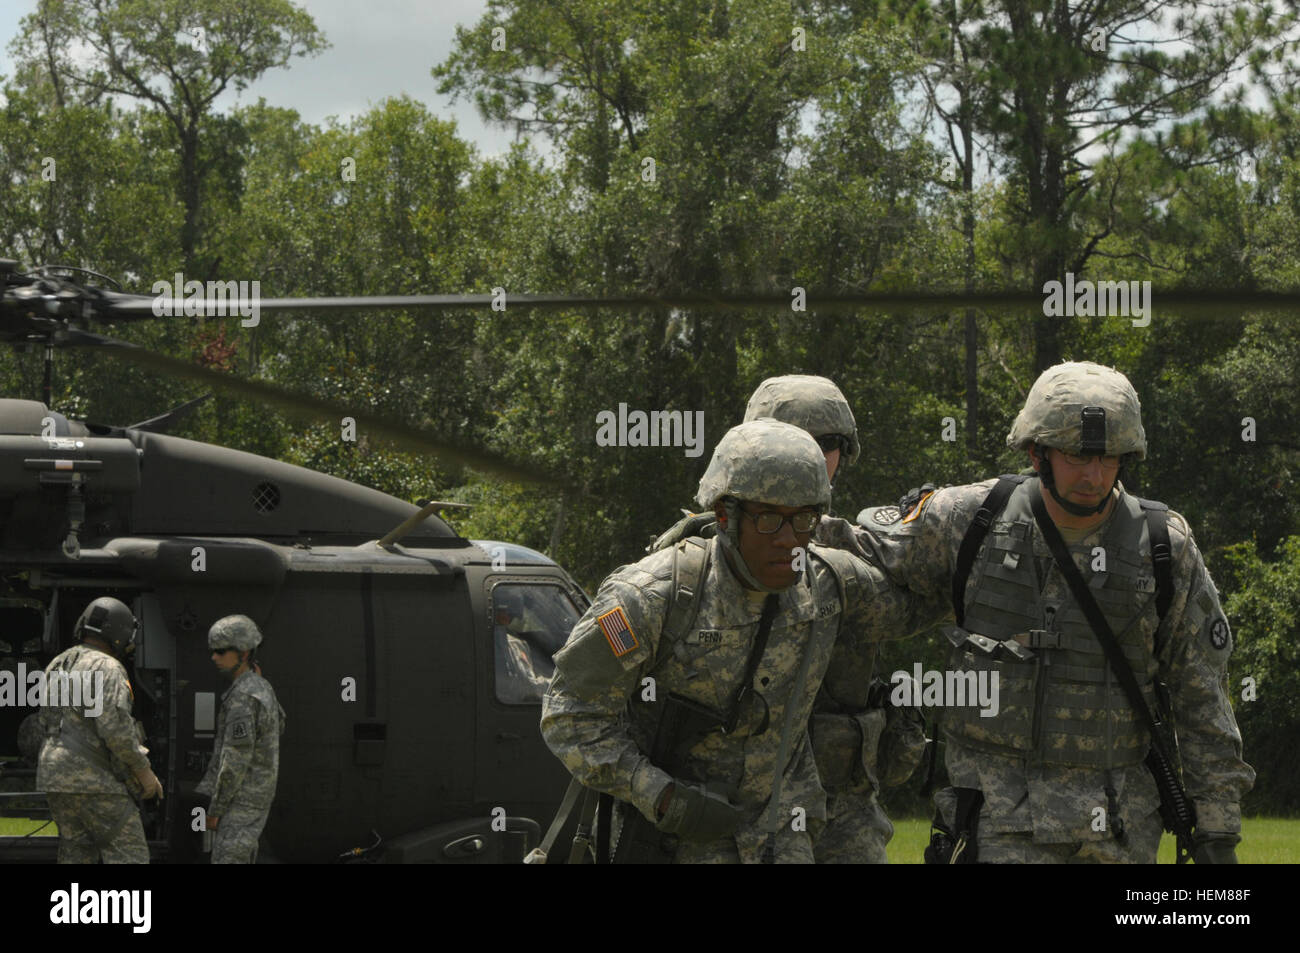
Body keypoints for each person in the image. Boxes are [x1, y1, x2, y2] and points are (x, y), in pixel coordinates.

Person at [846, 361, 1254, 863]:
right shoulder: (969, 520)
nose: (1094, 475)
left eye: (1109, 459)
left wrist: (1217, 832)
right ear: (1038, 452)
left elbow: (1203, 698)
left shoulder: (1163, 547)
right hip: (993, 824)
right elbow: (858, 558)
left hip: (1117, 833)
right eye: (1077, 456)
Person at [541, 419, 934, 863]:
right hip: (665, 843)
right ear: (726, 516)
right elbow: (569, 716)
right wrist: (659, 794)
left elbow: (921, 605)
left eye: (804, 519)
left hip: (781, 843)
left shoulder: (826, 585)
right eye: (768, 520)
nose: (789, 541)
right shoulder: (654, 597)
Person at [648, 374, 925, 863]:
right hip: (735, 800)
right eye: (791, 438)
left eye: (827, 444)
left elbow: (924, 607)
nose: (811, 454)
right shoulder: (698, 552)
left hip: (842, 798)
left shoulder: (861, 547)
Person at [36, 597, 163, 864]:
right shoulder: (108, 667)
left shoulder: (58, 664)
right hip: (95, 781)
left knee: (76, 853)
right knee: (130, 855)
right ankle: (124, 908)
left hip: (54, 778)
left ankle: (74, 907)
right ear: (121, 634)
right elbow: (114, 729)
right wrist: (144, 772)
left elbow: (44, 720)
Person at [196, 614, 286, 864]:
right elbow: (279, 725)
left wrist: (215, 810)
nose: (214, 657)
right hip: (254, 799)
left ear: (244, 653)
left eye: (221, 651)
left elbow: (234, 761)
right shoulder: (261, 687)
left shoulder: (243, 697)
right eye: (213, 651)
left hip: (239, 803)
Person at [493, 588, 553, 704]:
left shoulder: (503, 641)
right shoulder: (510, 645)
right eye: (509, 616)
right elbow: (528, 687)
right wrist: (558, 684)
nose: (508, 620)